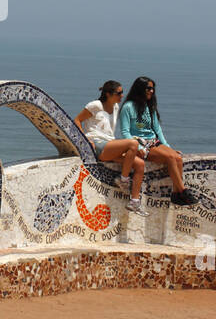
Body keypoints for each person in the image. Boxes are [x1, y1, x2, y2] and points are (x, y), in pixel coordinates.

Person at [117, 76, 198, 205]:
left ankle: (176, 194)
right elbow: (125, 132)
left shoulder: (149, 107)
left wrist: (167, 147)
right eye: (148, 88)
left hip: (153, 142)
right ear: (140, 88)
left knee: (177, 157)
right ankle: (183, 191)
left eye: (153, 88)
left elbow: (157, 129)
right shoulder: (128, 107)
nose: (151, 91)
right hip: (139, 144)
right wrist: (138, 148)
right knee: (170, 159)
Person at [75, 80, 148, 215]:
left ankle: (134, 202)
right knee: (132, 144)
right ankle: (123, 180)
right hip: (97, 144)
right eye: (118, 93)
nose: (122, 95)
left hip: (109, 145)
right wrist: (85, 139)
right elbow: (77, 120)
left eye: (122, 92)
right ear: (108, 94)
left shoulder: (115, 107)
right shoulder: (96, 105)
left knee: (140, 164)